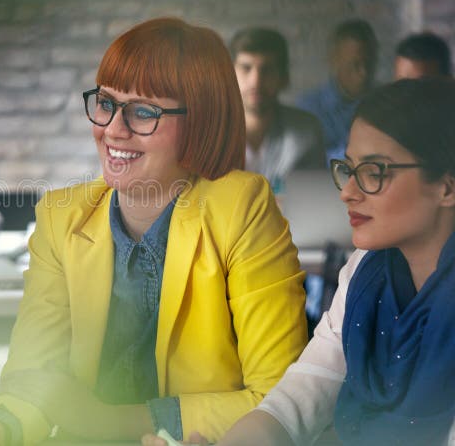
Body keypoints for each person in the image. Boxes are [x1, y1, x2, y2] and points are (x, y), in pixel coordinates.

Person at [0, 17, 308, 445]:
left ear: (200, 120)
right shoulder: (62, 216)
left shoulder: (242, 208)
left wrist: (108, 421)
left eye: (143, 112)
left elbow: (280, 401)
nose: (112, 129)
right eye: (106, 103)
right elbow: (31, 381)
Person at [195, 77, 455, 446]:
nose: (348, 192)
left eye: (373, 172)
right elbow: (293, 404)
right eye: (349, 169)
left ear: (447, 186)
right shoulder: (367, 270)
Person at [229, 27, 325, 189]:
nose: (256, 82)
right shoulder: (208, 133)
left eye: (267, 70)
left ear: (284, 77)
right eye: (246, 68)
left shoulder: (307, 131)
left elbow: (314, 200)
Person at [296, 18, 378, 163]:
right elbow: (306, 163)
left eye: (369, 63)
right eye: (355, 64)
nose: (364, 73)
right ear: (334, 60)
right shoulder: (309, 110)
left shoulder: (386, 103)